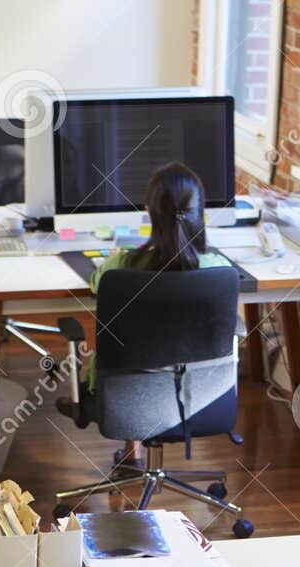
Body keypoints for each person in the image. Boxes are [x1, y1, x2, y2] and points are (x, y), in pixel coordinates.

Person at [57, 162, 231, 468]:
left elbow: (98, 283)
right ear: (199, 210)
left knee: (137, 357)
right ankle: (132, 453)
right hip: (201, 396)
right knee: (158, 356)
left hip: (124, 395)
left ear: (148, 210)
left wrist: (119, 259)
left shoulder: (121, 268)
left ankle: (132, 453)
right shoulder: (218, 268)